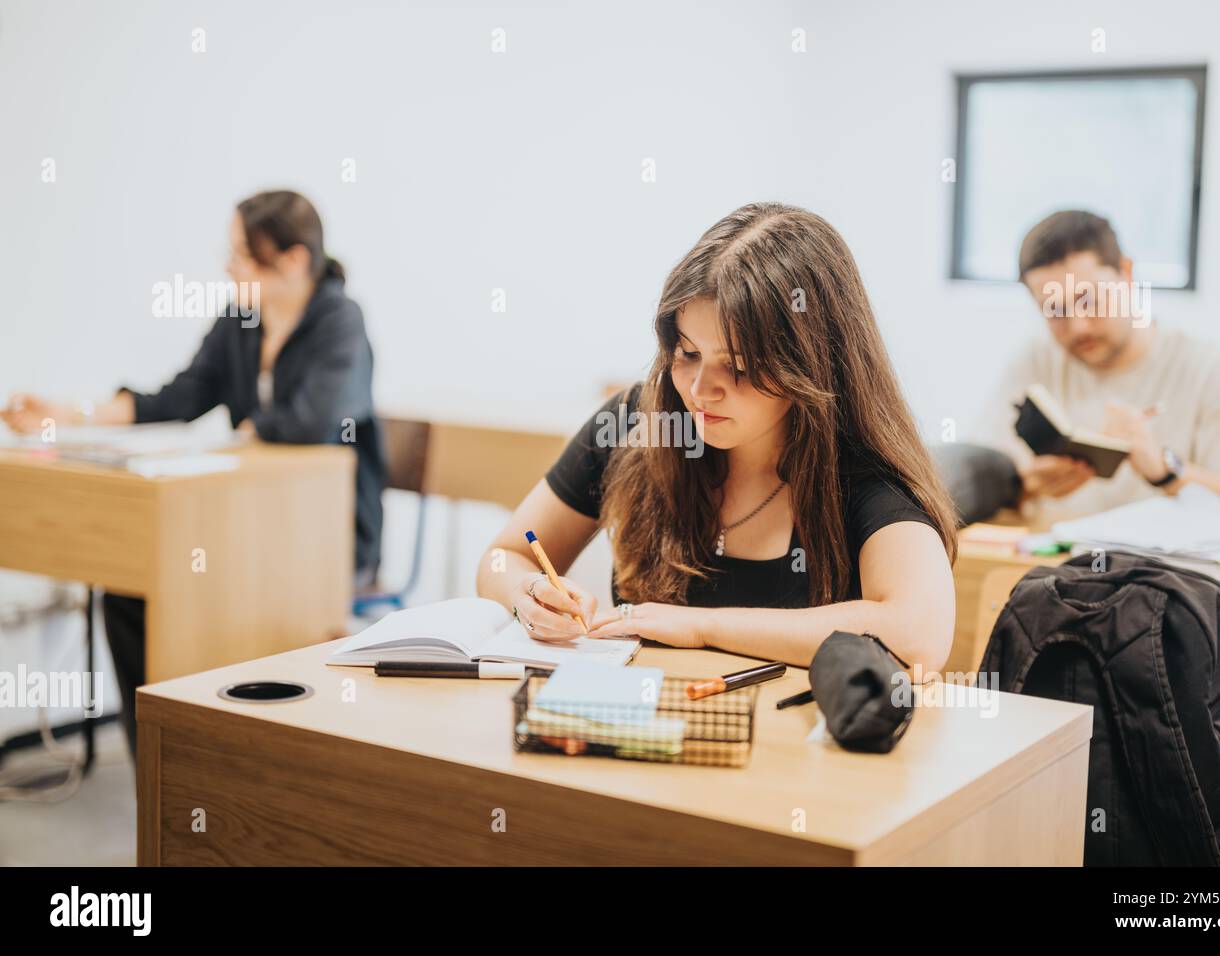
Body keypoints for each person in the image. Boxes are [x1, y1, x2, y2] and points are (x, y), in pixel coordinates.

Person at [476, 202, 957, 672]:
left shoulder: (861, 476)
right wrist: (526, 596)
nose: (702, 390)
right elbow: (505, 558)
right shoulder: (636, 423)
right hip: (631, 731)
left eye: (740, 366)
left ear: (811, 364)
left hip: (782, 746)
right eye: (687, 354)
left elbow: (918, 635)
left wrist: (702, 627)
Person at [1, 190, 385, 756]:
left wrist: (255, 428)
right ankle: (161, 766)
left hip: (324, 537)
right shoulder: (241, 318)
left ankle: (232, 765)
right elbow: (178, 397)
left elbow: (313, 421)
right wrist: (69, 414)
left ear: (295, 260)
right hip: (245, 520)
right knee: (130, 594)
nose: (231, 269)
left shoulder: (340, 319)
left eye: (243, 256)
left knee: (206, 592)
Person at [976, 210, 1220, 525]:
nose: (1079, 327)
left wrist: (1165, 470)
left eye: (1089, 300)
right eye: (1055, 311)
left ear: (1126, 272)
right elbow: (979, 477)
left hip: (1164, 571)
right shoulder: (1034, 360)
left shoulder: (1212, 372)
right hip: (1048, 566)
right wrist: (1026, 488)